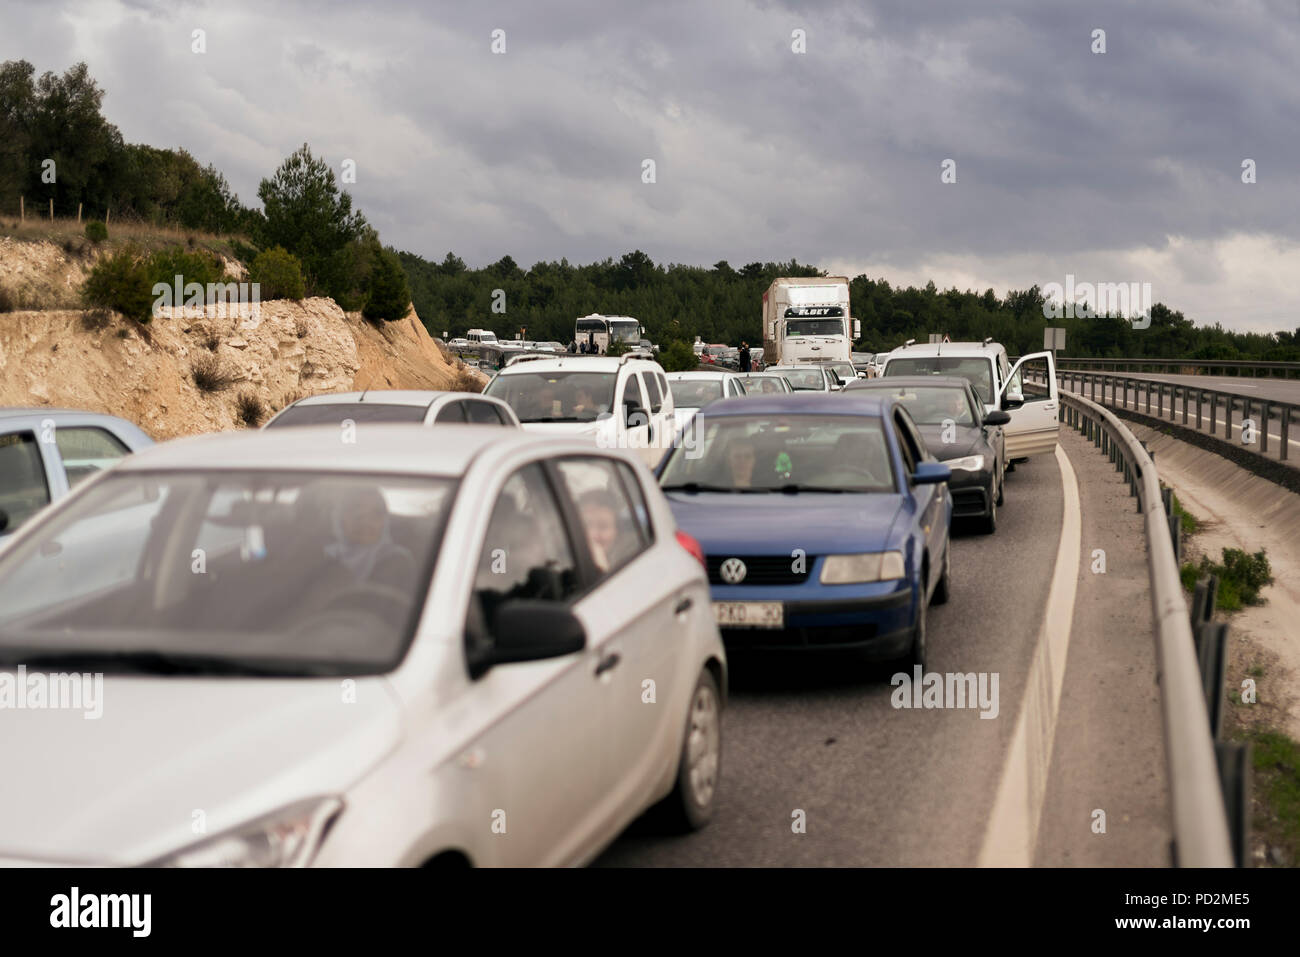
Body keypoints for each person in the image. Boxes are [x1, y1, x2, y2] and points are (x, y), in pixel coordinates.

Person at [323, 485, 415, 591]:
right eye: (356, 512)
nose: (366, 522)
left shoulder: (397, 561)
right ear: (338, 518)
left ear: (385, 521)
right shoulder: (324, 557)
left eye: (376, 514)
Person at [578, 489, 621, 572]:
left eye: (603, 526)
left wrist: (602, 569)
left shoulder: (630, 562)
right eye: (586, 525)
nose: (592, 534)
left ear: (616, 531)